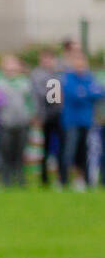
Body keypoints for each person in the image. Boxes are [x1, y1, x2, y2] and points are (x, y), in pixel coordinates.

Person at [59, 48, 103, 190]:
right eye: (77, 61)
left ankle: (82, 180)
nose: (80, 64)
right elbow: (73, 94)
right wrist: (87, 94)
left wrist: (84, 93)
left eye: (82, 61)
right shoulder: (67, 78)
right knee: (68, 151)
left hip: (86, 120)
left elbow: (99, 93)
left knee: (83, 152)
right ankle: (63, 180)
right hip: (71, 120)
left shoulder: (90, 78)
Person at [0, 54, 33, 187]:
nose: (10, 67)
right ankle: (6, 179)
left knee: (20, 151)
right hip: (4, 123)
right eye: (7, 64)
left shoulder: (25, 82)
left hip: (22, 122)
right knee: (6, 151)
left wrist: (30, 115)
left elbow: (31, 101)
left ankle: (20, 178)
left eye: (13, 64)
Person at [29, 49, 63, 186]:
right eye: (45, 59)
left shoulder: (59, 73)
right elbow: (40, 95)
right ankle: (44, 179)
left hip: (59, 115)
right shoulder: (36, 74)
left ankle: (61, 178)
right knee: (45, 148)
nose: (47, 61)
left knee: (61, 147)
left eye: (50, 58)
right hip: (44, 116)